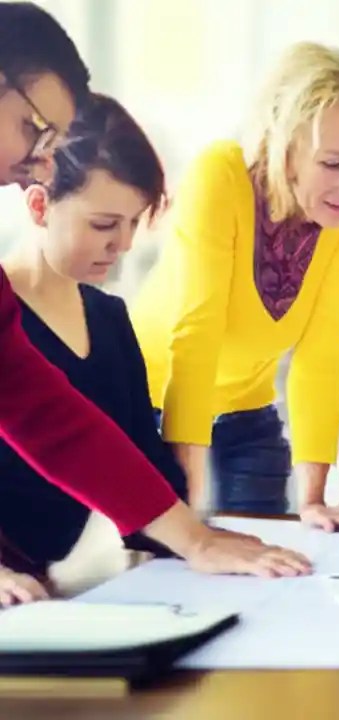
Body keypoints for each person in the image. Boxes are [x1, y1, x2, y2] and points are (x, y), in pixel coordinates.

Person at [0, 2, 310, 606]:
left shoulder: (102, 319)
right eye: (36, 130)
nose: (40, 163)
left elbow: (44, 414)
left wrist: (193, 538)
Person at [130, 42, 339, 536]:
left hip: (247, 413)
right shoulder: (221, 174)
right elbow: (197, 331)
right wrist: (188, 502)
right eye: (333, 163)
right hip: (151, 404)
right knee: (170, 569)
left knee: (269, 562)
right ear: (284, 148)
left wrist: (315, 500)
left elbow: (325, 343)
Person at [0, 93, 189, 584]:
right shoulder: (6, 318)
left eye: (133, 223)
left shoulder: (109, 319)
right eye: (105, 224)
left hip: (44, 588)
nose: (124, 244)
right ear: (40, 205)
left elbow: (148, 469)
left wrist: (206, 544)